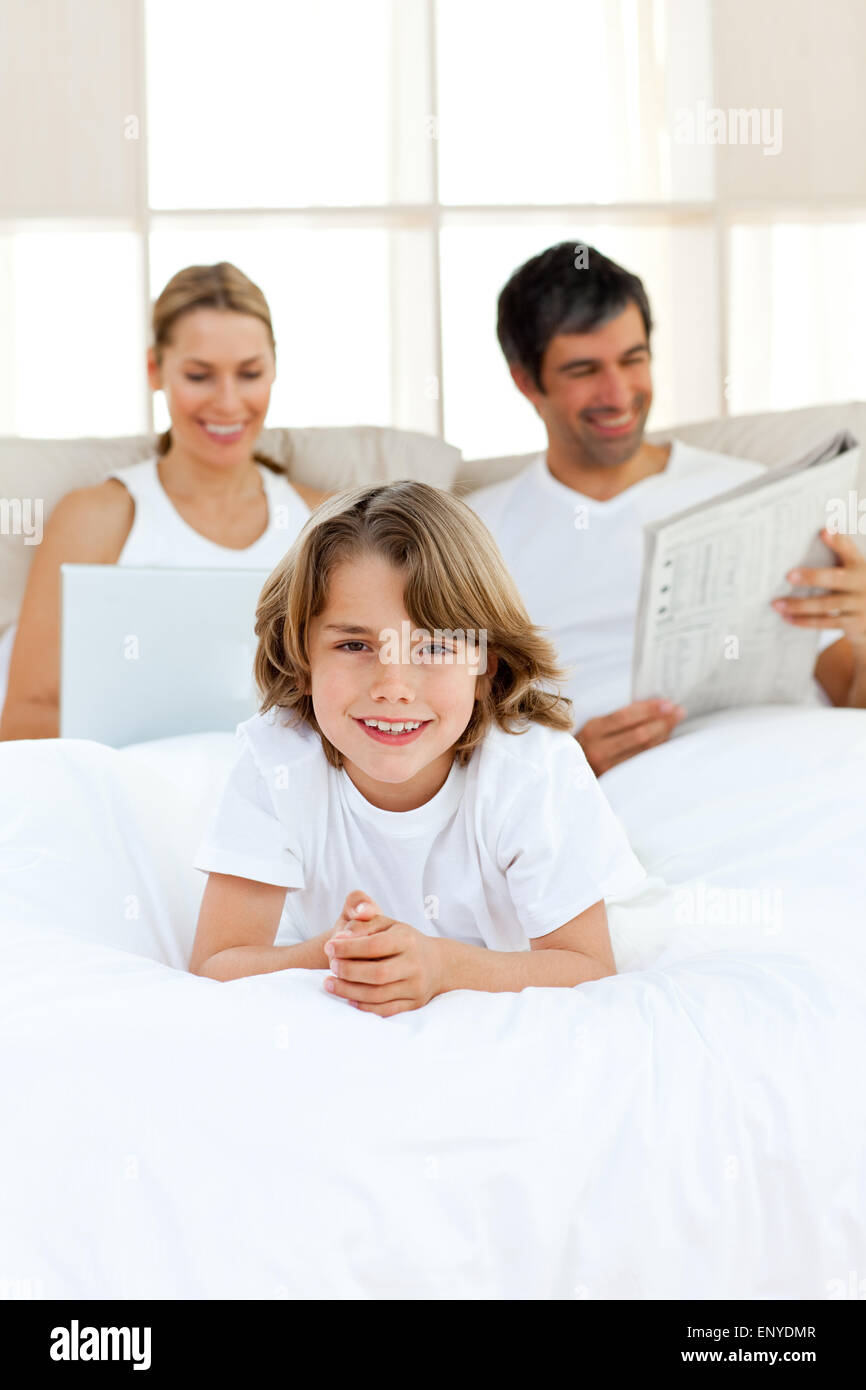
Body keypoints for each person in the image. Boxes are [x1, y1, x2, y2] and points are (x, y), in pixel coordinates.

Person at [188, 481, 649, 1015]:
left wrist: (440, 966)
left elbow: (586, 966)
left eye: (432, 646)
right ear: (302, 659)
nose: (394, 685)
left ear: (484, 668)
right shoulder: (277, 760)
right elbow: (216, 962)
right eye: (355, 645)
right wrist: (334, 953)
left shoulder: (532, 769)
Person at [467, 243, 866, 775]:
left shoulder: (759, 496)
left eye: (634, 360)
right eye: (585, 370)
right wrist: (570, 764)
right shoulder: (473, 538)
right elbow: (443, 749)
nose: (619, 394)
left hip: (800, 763)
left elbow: (850, 695)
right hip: (632, 789)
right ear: (526, 381)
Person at [0, 262, 329, 741]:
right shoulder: (97, 519)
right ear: (155, 370)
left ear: (274, 369)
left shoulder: (324, 524)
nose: (228, 402)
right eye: (199, 375)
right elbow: (23, 719)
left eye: (250, 373)